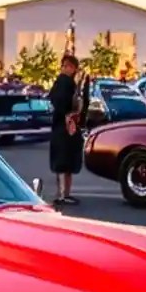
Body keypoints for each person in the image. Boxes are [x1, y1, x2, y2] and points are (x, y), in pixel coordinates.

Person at [48, 55, 84, 206]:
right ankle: (65, 194)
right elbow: (69, 105)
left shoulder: (58, 83)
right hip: (67, 126)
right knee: (66, 160)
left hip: (58, 126)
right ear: (70, 67)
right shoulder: (67, 84)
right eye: (72, 67)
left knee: (60, 161)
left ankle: (61, 193)